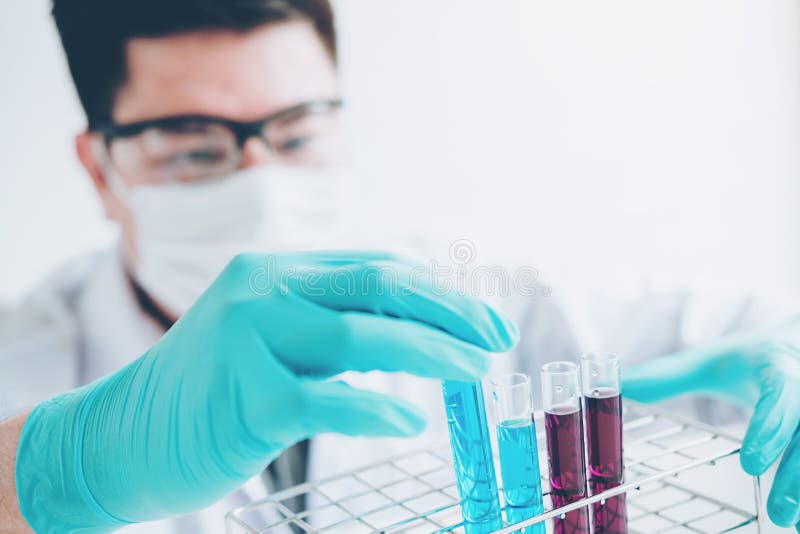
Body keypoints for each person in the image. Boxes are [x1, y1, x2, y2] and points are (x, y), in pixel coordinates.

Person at [0, 0, 798, 532]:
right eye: (195, 148)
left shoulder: (462, 289)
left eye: (299, 133)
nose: (263, 181)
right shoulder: (21, 360)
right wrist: (59, 465)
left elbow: (750, 332)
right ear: (98, 170)